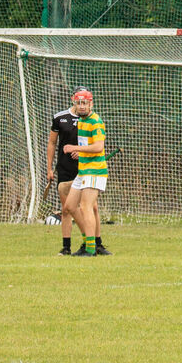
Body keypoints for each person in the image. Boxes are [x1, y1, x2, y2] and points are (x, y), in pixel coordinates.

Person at [47, 90, 108, 255]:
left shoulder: (96, 121)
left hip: (94, 171)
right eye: (78, 103)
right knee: (70, 206)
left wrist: (76, 148)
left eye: (84, 103)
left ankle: (91, 249)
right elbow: (88, 147)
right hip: (83, 171)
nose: (81, 106)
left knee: (87, 207)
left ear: (91, 104)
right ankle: (87, 243)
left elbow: (98, 147)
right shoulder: (81, 122)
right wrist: (82, 152)